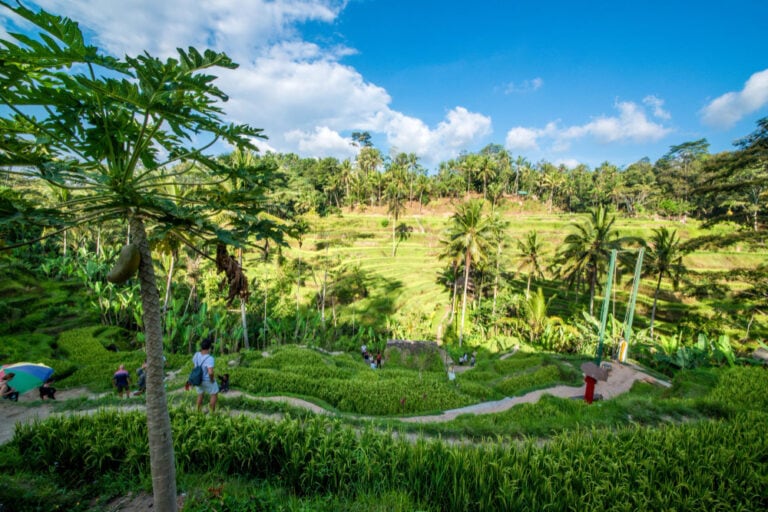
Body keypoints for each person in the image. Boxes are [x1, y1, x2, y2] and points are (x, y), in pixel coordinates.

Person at [192, 335, 219, 412]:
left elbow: (195, 366)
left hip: (198, 379)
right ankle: (211, 413)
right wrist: (212, 380)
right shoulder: (209, 358)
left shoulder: (196, 355)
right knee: (214, 393)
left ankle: (198, 412)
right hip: (206, 380)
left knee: (200, 394)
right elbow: (210, 372)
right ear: (209, 348)